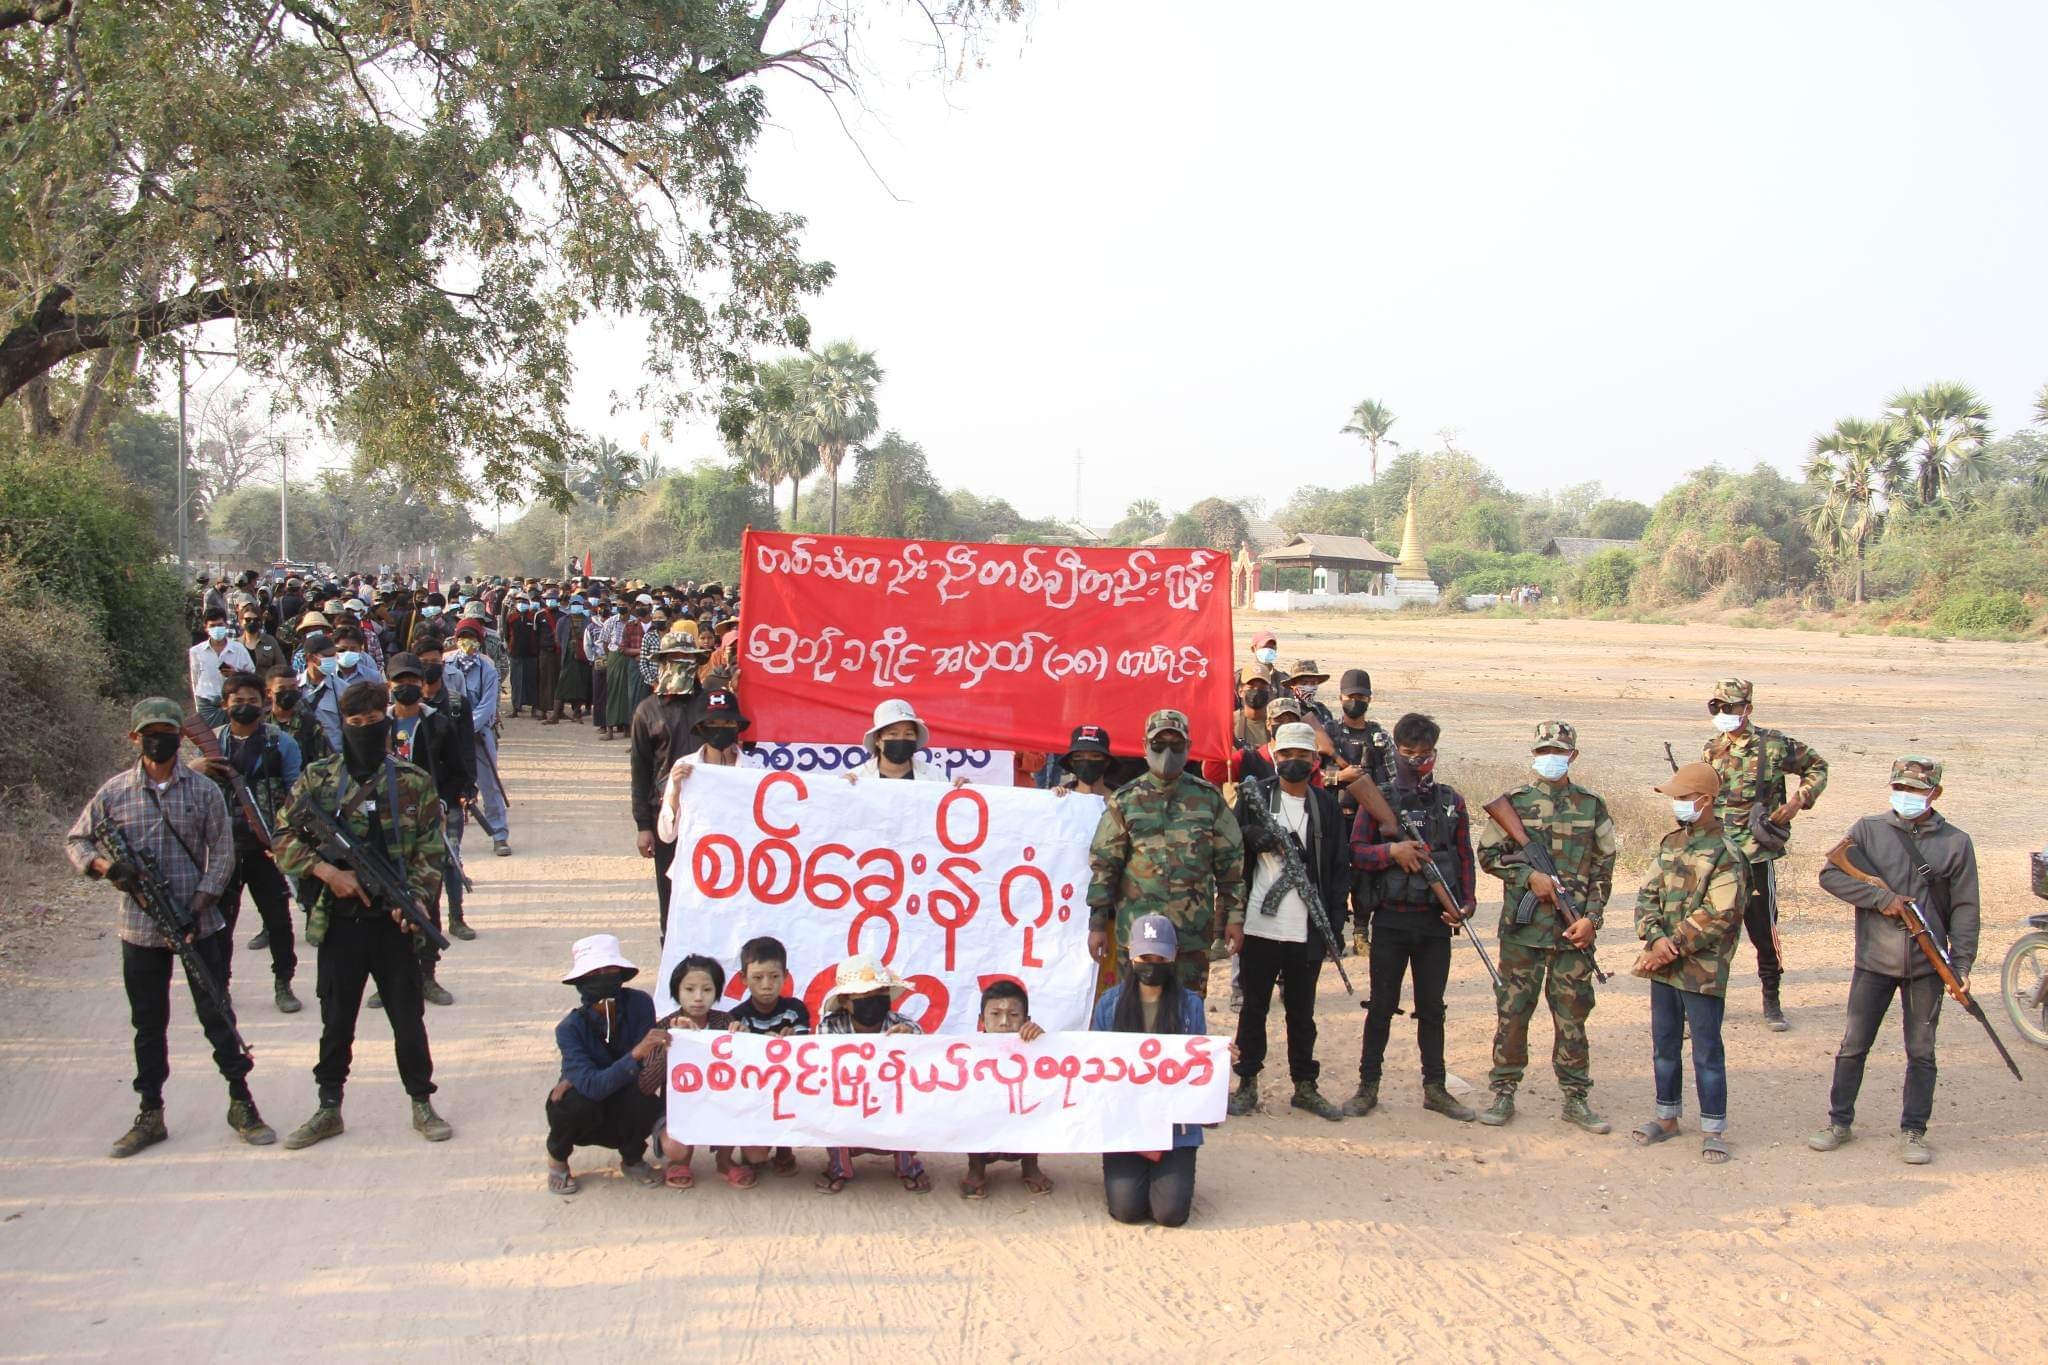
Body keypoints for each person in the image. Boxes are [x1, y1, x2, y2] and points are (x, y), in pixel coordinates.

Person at [65, 698, 276, 1156]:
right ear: (134, 738)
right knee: (148, 1023)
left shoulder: (202, 791)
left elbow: (222, 854)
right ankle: (150, 1111)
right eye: (149, 732)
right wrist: (107, 868)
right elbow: (77, 840)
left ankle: (241, 1102)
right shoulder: (115, 792)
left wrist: (200, 903)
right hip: (140, 929)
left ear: (181, 737)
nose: (157, 739)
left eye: (167, 731)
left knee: (218, 1014)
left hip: (199, 924)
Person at [272, 680, 455, 1149]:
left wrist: (414, 898)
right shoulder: (318, 779)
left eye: (373, 723)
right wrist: (326, 872)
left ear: (387, 722)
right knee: (337, 1021)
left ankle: (421, 1101)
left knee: (408, 1019)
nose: (365, 730)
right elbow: (282, 838)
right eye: (355, 724)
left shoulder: (412, 781)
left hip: (393, 924)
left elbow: (431, 851)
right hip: (338, 921)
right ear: (342, 727)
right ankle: (328, 1106)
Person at [1810, 757, 1979, 1166]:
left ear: (1935, 794)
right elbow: (1831, 875)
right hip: (1874, 960)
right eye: (1900, 788)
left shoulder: (1957, 842)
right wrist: (1880, 899)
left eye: (1917, 791)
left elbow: (1966, 909)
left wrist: (1962, 965)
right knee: (1853, 1045)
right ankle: (1839, 1122)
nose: (1906, 796)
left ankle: (1914, 1131)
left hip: (1927, 966)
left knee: (1922, 1051)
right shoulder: (1868, 830)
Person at [1474, 721, 1617, 1132]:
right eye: (1543, 751)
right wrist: (1527, 878)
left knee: (1572, 1016)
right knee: (1513, 1012)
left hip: (1573, 933)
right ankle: (1504, 1092)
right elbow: (1488, 855)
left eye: (1558, 750)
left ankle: (1576, 1097)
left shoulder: (1592, 806)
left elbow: (1604, 867)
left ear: (1573, 755)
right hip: (1523, 933)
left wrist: (1592, 919)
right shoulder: (1515, 804)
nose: (1550, 758)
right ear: (1534, 754)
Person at [1348, 712, 1479, 1122]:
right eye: (1409, 754)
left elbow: (1463, 856)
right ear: (1396, 753)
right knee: (1382, 1007)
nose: (1419, 761)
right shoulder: (1378, 798)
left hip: (1434, 924)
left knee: (1432, 1009)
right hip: (1390, 921)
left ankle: (1435, 1088)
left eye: (1426, 754)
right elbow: (1356, 852)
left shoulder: (1450, 801)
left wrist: (1467, 903)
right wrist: (1392, 853)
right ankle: (1367, 1087)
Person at [1629, 761, 1749, 1164]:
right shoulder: (1672, 843)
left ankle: (1713, 1128)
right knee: (1664, 1043)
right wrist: (1654, 937)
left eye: (1684, 798)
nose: (1678, 805)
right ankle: (1667, 1117)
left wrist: (1673, 944)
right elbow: (1647, 895)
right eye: (1676, 798)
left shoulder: (1727, 853)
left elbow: (1722, 912)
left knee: (1706, 1049)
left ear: (1706, 800)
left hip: (1702, 968)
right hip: (1664, 963)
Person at [1228, 722, 1347, 1121]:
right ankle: (1247, 1081)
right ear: (1274, 757)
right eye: (1285, 755)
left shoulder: (1325, 805)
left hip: (1306, 927)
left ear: (1315, 760)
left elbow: (1336, 867)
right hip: (1261, 924)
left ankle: (1305, 1085)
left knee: (1302, 1011)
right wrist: (1253, 835)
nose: (1293, 762)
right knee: (1253, 1008)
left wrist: (1336, 924)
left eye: (1302, 756)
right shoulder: (1255, 795)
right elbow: (1229, 840)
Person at [1087, 708, 1246, 996]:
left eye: (1176, 745)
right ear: (1144, 747)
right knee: (1132, 1014)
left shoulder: (1208, 799)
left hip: (1191, 935)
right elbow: (1104, 866)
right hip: (1137, 937)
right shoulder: (1126, 800)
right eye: (1159, 745)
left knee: (1188, 1013)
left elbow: (1230, 865)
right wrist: (1098, 924)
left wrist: (1234, 918)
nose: (1167, 753)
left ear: (1189, 748)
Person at [1701, 678, 1828, 1031]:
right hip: (1721, 855)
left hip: (1757, 853)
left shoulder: (1773, 746)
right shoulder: (1711, 750)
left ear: (1748, 709)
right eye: (1717, 707)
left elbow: (1817, 766)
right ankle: (1708, 1001)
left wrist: (1798, 801)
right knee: (1713, 929)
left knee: (1763, 930)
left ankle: (1771, 999)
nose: (1724, 714)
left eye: (1731, 707)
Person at [1092, 915, 1218, 1227]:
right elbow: (1093, 1063)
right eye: (1146, 957)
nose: (1153, 963)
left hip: (1175, 1126)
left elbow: (1200, 1061)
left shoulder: (1190, 1006)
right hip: (1125, 1123)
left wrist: (1219, 1059)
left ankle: (1166, 1172)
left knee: (1170, 1214)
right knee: (1127, 1210)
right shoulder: (1109, 1004)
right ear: (1130, 954)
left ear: (1173, 956)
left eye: (1161, 957)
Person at [197, 671, 304, 1013]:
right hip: (223, 848)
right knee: (220, 922)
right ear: (225, 705)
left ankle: (283, 982)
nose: (245, 708)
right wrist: (195, 766)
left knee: (278, 920)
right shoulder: (213, 745)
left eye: (252, 702)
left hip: (266, 846)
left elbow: (296, 793)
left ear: (265, 704)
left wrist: (285, 836)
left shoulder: (280, 742)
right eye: (238, 702)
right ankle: (220, 985)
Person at [385, 651, 474, 1002]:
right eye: (399, 682)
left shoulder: (438, 723)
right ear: (388, 685)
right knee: (388, 902)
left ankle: (427, 975)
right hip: (388, 826)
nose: (406, 687)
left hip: (427, 824)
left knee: (427, 897)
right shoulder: (379, 725)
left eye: (412, 681)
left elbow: (456, 769)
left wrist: (448, 801)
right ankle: (392, 980)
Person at [547, 934, 666, 1194]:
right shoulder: (569, 1028)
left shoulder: (640, 1004)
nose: (603, 977)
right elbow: (592, 1086)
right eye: (594, 972)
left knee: (642, 1095)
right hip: (590, 1103)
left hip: (627, 1092)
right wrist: (634, 1055)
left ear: (621, 974)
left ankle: (633, 1157)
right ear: (581, 982)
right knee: (571, 1101)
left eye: (609, 969)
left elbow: (649, 1064)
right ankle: (557, 1156)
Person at [813, 954, 930, 1193]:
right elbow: (824, 1070)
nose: (874, 1002)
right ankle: (839, 1167)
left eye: (880, 995)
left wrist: (909, 1040)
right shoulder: (829, 1026)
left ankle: (907, 1166)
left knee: (909, 1105)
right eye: (866, 997)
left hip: (891, 1100)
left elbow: (923, 1059)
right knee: (829, 1106)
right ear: (846, 1001)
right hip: (847, 1099)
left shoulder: (904, 1025)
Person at [631, 628, 715, 937]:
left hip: (709, 814)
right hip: (667, 814)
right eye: (673, 659)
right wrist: (643, 826)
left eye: (686, 659)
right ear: (663, 663)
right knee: (671, 894)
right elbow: (639, 771)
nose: (681, 664)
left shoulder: (710, 705)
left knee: (708, 890)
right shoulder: (647, 711)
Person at [644, 955, 745, 1189]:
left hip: (718, 1102)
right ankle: (680, 1161)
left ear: (717, 992)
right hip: (676, 1108)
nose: (698, 997)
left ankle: (724, 1160)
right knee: (675, 1146)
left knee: (735, 1110)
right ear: (676, 991)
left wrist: (742, 1040)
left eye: (707, 989)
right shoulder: (664, 1026)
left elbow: (744, 1073)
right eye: (689, 989)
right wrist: (669, 1046)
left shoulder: (726, 1022)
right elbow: (647, 1083)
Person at [725, 935, 810, 1178]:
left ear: (786, 975)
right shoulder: (736, 1016)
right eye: (757, 977)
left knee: (792, 1094)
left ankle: (785, 1149)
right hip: (753, 1090)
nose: (766, 984)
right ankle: (751, 1145)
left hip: (787, 1086)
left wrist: (792, 1042)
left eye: (774, 977)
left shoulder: (795, 1009)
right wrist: (742, 1039)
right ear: (743, 978)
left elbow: (806, 1051)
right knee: (756, 1157)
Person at [1324, 667, 1394, 956]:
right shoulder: (1327, 734)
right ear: (1340, 697)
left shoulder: (1378, 736)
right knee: (1334, 875)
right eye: (1351, 696)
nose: (1356, 701)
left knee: (1366, 877)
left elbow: (1391, 780)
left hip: (1367, 818)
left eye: (1361, 696)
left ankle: (1361, 932)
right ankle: (1333, 933)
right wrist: (1339, 778)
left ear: (1370, 698)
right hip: (1333, 815)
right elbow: (1310, 775)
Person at [962, 979, 1052, 1199]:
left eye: (1013, 1015)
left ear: (1027, 1020)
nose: (1004, 1022)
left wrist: (1042, 1038)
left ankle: (1030, 1166)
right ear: (981, 1021)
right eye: (995, 1014)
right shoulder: (970, 1051)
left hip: (1021, 1113)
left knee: (1035, 1103)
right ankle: (976, 1168)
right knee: (968, 1106)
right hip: (984, 1117)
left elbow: (1054, 1071)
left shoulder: (1035, 1045)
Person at [446, 621, 510, 857]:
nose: (467, 642)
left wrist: (467, 727)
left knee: (489, 784)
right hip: (449, 735)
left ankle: (499, 835)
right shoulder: (446, 666)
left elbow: (488, 704)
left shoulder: (487, 669)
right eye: (463, 636)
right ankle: (449, 841)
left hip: (478, 733)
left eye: (471, 637)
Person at [849, 698, 949, 782]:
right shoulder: (857, 778)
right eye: (893, 734)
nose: (901, 739)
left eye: (908, 734)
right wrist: (842, 789)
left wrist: (961, 789)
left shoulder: (936, 778)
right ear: (878, 740)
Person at [189, 606, 256, 729]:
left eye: (220, 625)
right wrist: (198, 706)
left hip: (234, 702)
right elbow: (195, 679)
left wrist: (235, 675)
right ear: (206, 628)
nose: (217, 629)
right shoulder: (196, 651)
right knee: (212, 742)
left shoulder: (238, 649)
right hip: (207, 703)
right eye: (212, 626)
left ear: (226, 625)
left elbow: (251, 674)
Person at [267, 664, 327, 765]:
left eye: (292, 687)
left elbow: (322, 762)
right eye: (282, 689)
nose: (288, 693)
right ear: (269, 692)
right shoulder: (261, 723)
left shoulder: (310, 724)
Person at [551, 596, 594, 723]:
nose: (576, 606)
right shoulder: (563, 621)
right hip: (568, 657)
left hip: (583, 657)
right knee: (562, 685)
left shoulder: (589, 622)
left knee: (580, 686)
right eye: (573, 604)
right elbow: (558, 639)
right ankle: (555, 714)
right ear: (570, 605)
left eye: (578, 604)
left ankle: (577, 713)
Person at [1053, 724, 1118, 796]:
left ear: (1107, 761)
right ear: (1071, 762)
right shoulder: (1060, 797)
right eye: (1078, 756)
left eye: (1095, 756)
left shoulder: (1125, 799)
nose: (1086, 762)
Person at [506, 592, 540, 718]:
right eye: (519, 601)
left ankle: (534, 708)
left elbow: (537, 635)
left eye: (524, 601)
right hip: (515, 654)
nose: (521, 603)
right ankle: (515, 708)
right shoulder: (511, 617)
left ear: (528, 603)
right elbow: (507, 635)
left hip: (531, 654)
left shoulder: (533, 617)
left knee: (532, 681)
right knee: (516, 682)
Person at [1279, 658, 1335, 729]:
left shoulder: (1322, 709)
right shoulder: (1287, 710)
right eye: (1304, 683)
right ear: (1293, 685)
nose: (1309, 687)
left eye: (1313, 683)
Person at [236, 603, 286, 676]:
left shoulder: (270, 641)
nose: (252, 622)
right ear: (241, 621)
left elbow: (281, 666)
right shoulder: (236, 644)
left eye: (256, 620)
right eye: (248, 620)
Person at [1233, 666, 1272, 750]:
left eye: (1262, 688)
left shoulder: (1276, 723)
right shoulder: (1229, 722)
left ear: (1270, 692)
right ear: (1240, 692)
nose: (1257, 690)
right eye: (1251, 687)